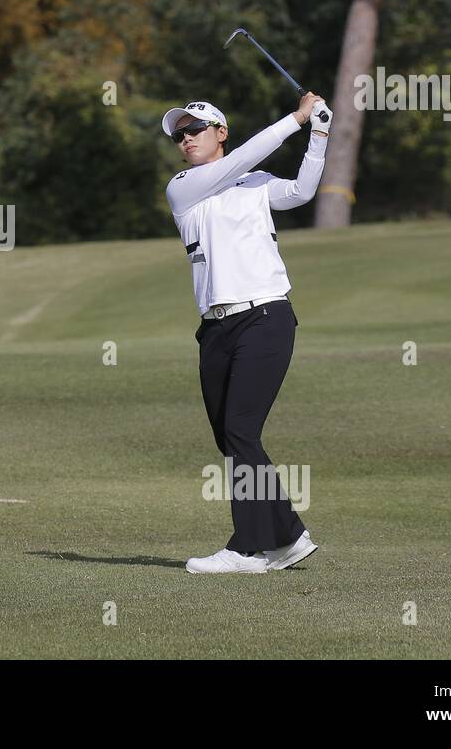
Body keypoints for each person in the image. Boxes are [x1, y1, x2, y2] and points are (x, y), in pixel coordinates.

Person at [162, 92, 332, 574]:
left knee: (241, 431)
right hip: (215, 329)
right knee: (230, 438)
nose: (186, 138)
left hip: (265, 318)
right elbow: (241, 158)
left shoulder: (255, 183)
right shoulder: (182, 187)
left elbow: (299, 192)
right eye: (180, 134)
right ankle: (287, 538)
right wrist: (295, 118)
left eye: (196, 128)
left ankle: (247, 548)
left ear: (221, 131)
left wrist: (316, 133)